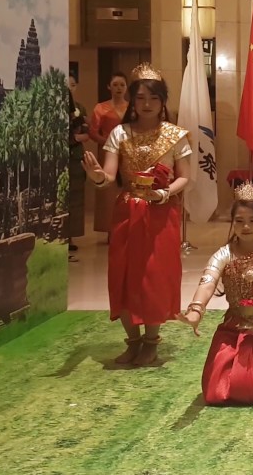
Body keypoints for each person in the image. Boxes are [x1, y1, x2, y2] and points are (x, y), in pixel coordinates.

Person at [82, 64, 190, 366]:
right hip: (128, 211)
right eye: (140, 97)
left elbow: (185, 177)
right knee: (124, 275)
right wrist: (96, 175)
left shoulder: (175, 135)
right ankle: (132, 340)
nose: (146, 104)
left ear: (162, 101)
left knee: (153, 276)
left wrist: (164, 193)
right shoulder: (120, 133)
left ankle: (152, 340)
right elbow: (109, 177)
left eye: (153, 99)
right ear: (132, 100)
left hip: (160, 214)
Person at [180, 183, 253, 405]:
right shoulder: (223, 254)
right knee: (214, 391)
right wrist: (196, 310)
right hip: (234, 327)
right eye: (239, 221)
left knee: (252, 387)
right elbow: (208, 281)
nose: (246, 226)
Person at [89, 72, 129, 235]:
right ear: (109, 87)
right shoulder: (101, 108)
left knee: (127, 188)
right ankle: (111, 229)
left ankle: (127, 225)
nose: (119, 88)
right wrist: (109, 143)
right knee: (108, 192)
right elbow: (93, 132)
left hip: (128, 153)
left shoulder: (130, 107)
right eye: (115, 85)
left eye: (122, 85)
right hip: (107, 152)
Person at [66, 75, 89, 261]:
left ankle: (71, 236)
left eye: (72, 85)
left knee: (75, 197)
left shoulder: (80, 108)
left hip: (75, 156)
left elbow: (86, 132)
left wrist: (74, 139)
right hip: (59, 156)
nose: (69, 88)